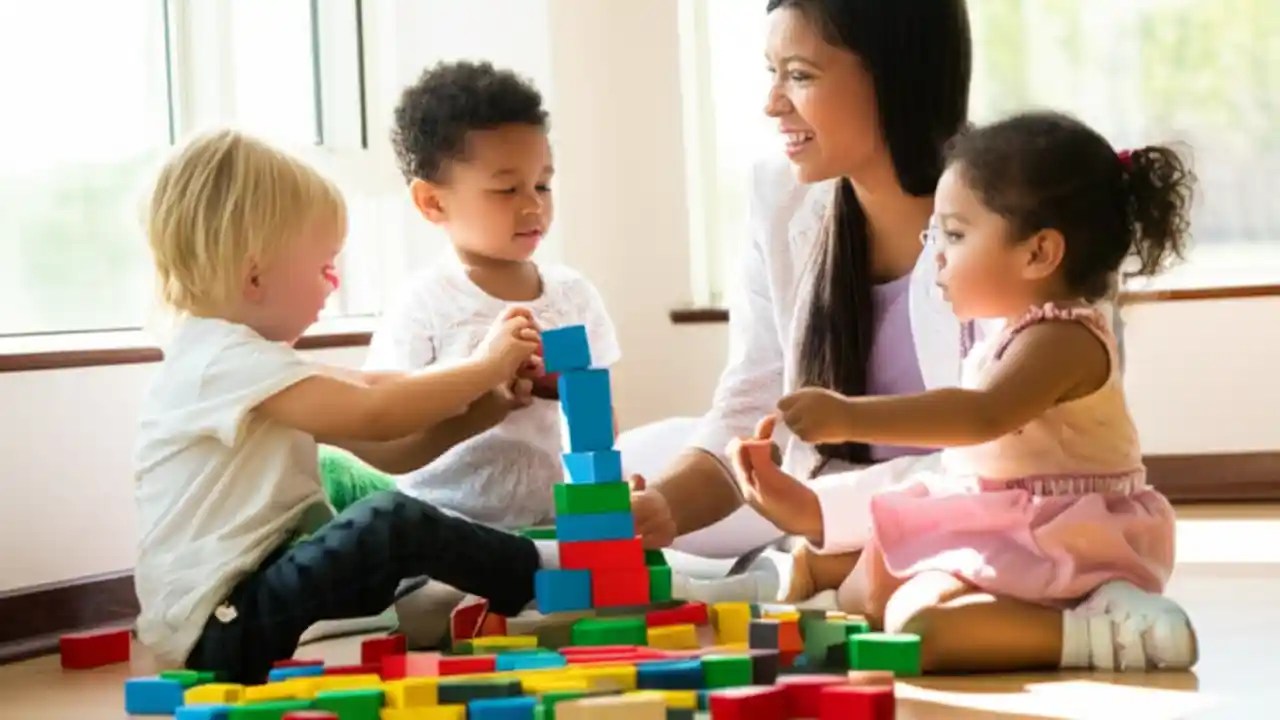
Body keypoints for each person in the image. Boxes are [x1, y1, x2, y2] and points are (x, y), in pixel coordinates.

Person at [735, 110, 1199, 672]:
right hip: (1011, 527)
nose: (936, 254)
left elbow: (979, 417)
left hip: (1072, 542)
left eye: (954, 234)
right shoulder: (1012, 335)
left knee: (921, 630)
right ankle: (790, 596)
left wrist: (848, 417)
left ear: (1038, 253)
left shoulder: (1064, 337)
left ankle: (1099, 631)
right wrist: (805, 503)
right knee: (872, 587)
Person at [132, 129, 558, 683]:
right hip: (222, 625)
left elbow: (391, 445)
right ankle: (546, 577)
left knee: (383, 509)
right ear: (255, 275)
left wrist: (482, 409)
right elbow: (375, 407)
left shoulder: (250, 364)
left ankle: (427, 603)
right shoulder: (218, 360)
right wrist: (485, 365)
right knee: (389, 520)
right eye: (324, 268)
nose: (332, 285)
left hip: (255, 595)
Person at [625, 0, 975, 591]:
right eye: (772, 72)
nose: (772, 103)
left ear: (895, 75)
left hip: (959, 501)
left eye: (801, 74)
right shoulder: (780, 196)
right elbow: (751, 402)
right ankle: (791, 561)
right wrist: (662, 505)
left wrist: (818, 513)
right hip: (812, 491)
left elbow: (1000, 464)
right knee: (631, 462)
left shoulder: (1014, 211)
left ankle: (795, 569)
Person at [365, 60, 621, 529]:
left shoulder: (573, 297)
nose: (534, 205)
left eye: (543, 184)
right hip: (445, 531)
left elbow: (600, 424)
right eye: (506, 189)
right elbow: (394, 430)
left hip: (553, 525)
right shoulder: (424, 305)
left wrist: (555, 384)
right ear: (433, 202)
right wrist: (484, 382)